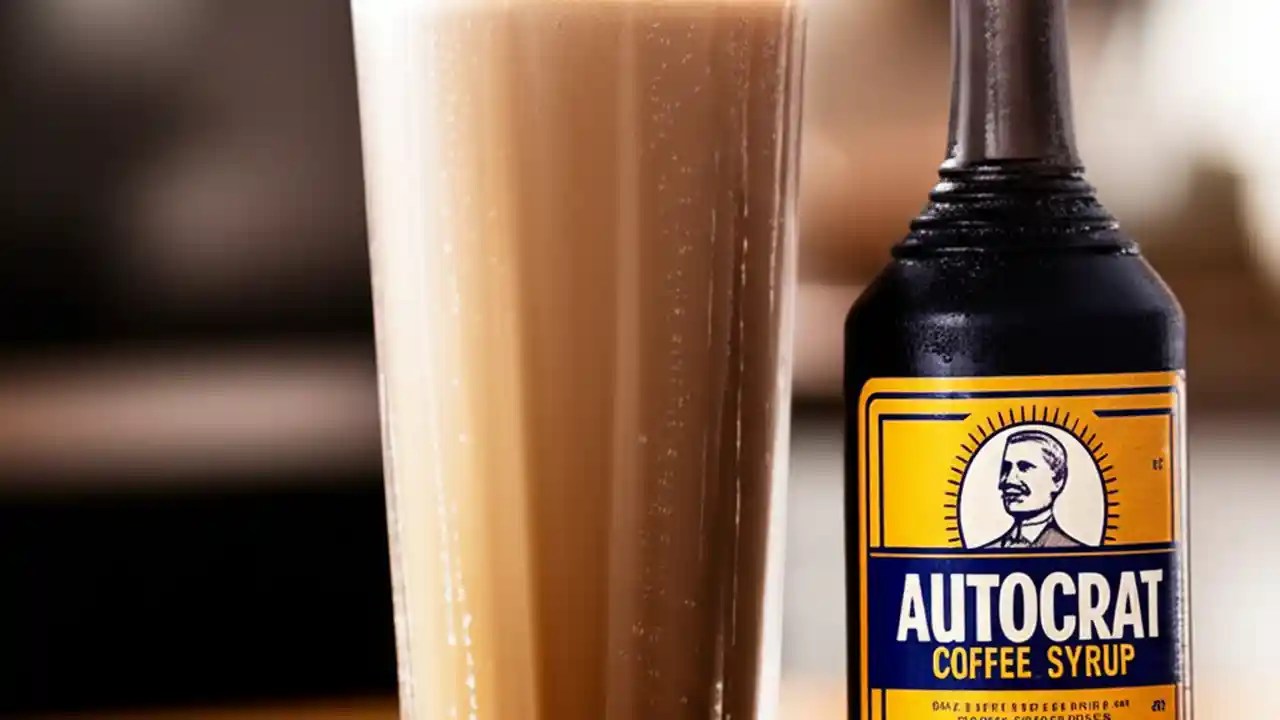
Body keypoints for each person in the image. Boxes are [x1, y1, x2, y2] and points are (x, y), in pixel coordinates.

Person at [982, 429, 1084, 549]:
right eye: (1006, 468)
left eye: (1024, 467)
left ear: (1058, 480)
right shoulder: (985, 552)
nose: (1008, 480)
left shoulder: (1074, 550)